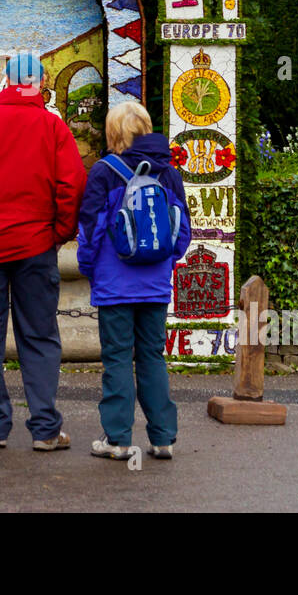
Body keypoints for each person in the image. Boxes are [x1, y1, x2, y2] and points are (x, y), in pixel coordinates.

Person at [0, 51, 86, 451]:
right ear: (40, 83)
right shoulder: (53, 127)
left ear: (6, 81)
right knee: (39, 335)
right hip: (35, 246)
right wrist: (58, 234)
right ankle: (45, 429)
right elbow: (71, 185)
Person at [76, 101, 190, 461]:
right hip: (155, 285)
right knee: (153, 357)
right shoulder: (169, 173)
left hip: (115, 285)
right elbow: (182, 232)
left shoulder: (103, 171)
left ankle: (119, 439)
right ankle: (163, 438)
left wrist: (89, 267)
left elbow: (91, 230)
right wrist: (165, 263)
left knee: (118, 360)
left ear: (112, 132)